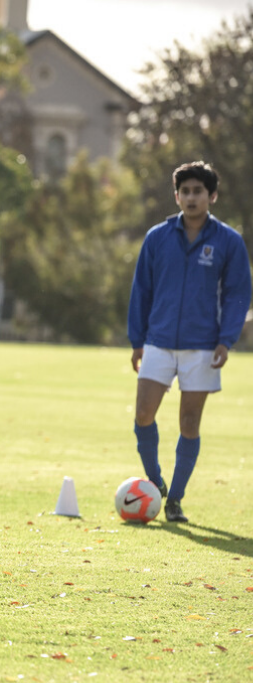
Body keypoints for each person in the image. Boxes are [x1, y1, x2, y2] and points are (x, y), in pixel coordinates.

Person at [127, 160, 251, 523]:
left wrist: (226, 340)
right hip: (158, 341)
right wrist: (137, 339)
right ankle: (155, 483)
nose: (192, 197)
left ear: (211, 195)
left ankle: (175, 500)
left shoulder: (228, 241)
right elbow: (141, 290)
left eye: (199, 191)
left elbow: (237, 295)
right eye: (185, 191)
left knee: (189, 423)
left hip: (203, 346)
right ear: (176, 195)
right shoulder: (157, 237)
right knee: (143, 414)